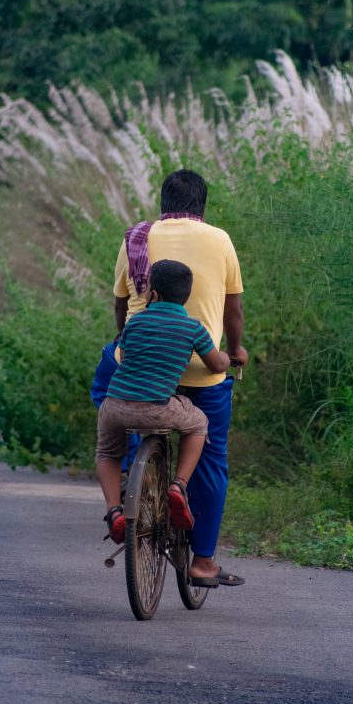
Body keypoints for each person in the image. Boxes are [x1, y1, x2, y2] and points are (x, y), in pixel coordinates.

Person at [92, 168, 248, 588]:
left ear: (163, 204)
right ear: (203, 205)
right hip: (200, 372)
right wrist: (235, 351)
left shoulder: (137, 238)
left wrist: (126, 344)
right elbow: (233, 311)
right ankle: (202, 561)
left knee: (104, 391)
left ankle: (130, 475)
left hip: (135, 365)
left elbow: (121, 307)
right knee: (213, 458)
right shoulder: (220, 240)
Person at [96, 259, 230, 545]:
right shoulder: (193, 328)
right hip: (158, 408)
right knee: (199, 424)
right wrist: (231, 357)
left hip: (116, 406)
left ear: (152, 294)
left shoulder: (135, 322)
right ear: (186, 296)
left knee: (107, 454)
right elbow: (217, 364)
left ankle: (113, 511)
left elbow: (126, 352)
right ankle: (178, 486)